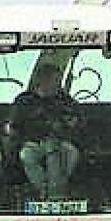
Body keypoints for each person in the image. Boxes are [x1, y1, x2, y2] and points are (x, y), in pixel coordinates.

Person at [11, 62, 82, 197]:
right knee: (26, 155)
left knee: (72, 153)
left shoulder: (64, 100)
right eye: (54, 80)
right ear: (42, 80)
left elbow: (76, 119)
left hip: (61, 142)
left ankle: (54, 191)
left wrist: (69, 123)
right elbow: (14, 124)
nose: (57, 84)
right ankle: (46, 189)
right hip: (33, 143)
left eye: (58, 80)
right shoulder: (24, 101)